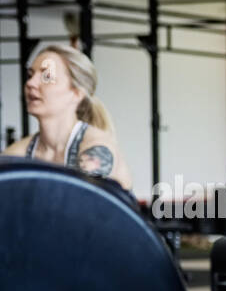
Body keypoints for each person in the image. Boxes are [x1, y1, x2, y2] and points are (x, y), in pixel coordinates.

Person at [1, 44, 131, 190]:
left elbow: (82, 204)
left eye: (46, 76)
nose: (30, 83)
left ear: (76, 93)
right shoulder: (17, 153)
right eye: (30, 75)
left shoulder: (97, 149)